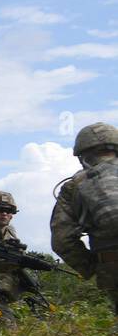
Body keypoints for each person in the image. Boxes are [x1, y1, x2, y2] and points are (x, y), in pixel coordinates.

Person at [51, 122, 118, 313]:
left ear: (82, 156)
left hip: (112, 265)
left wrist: (94, 268)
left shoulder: (74, 186)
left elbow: (62, 240)